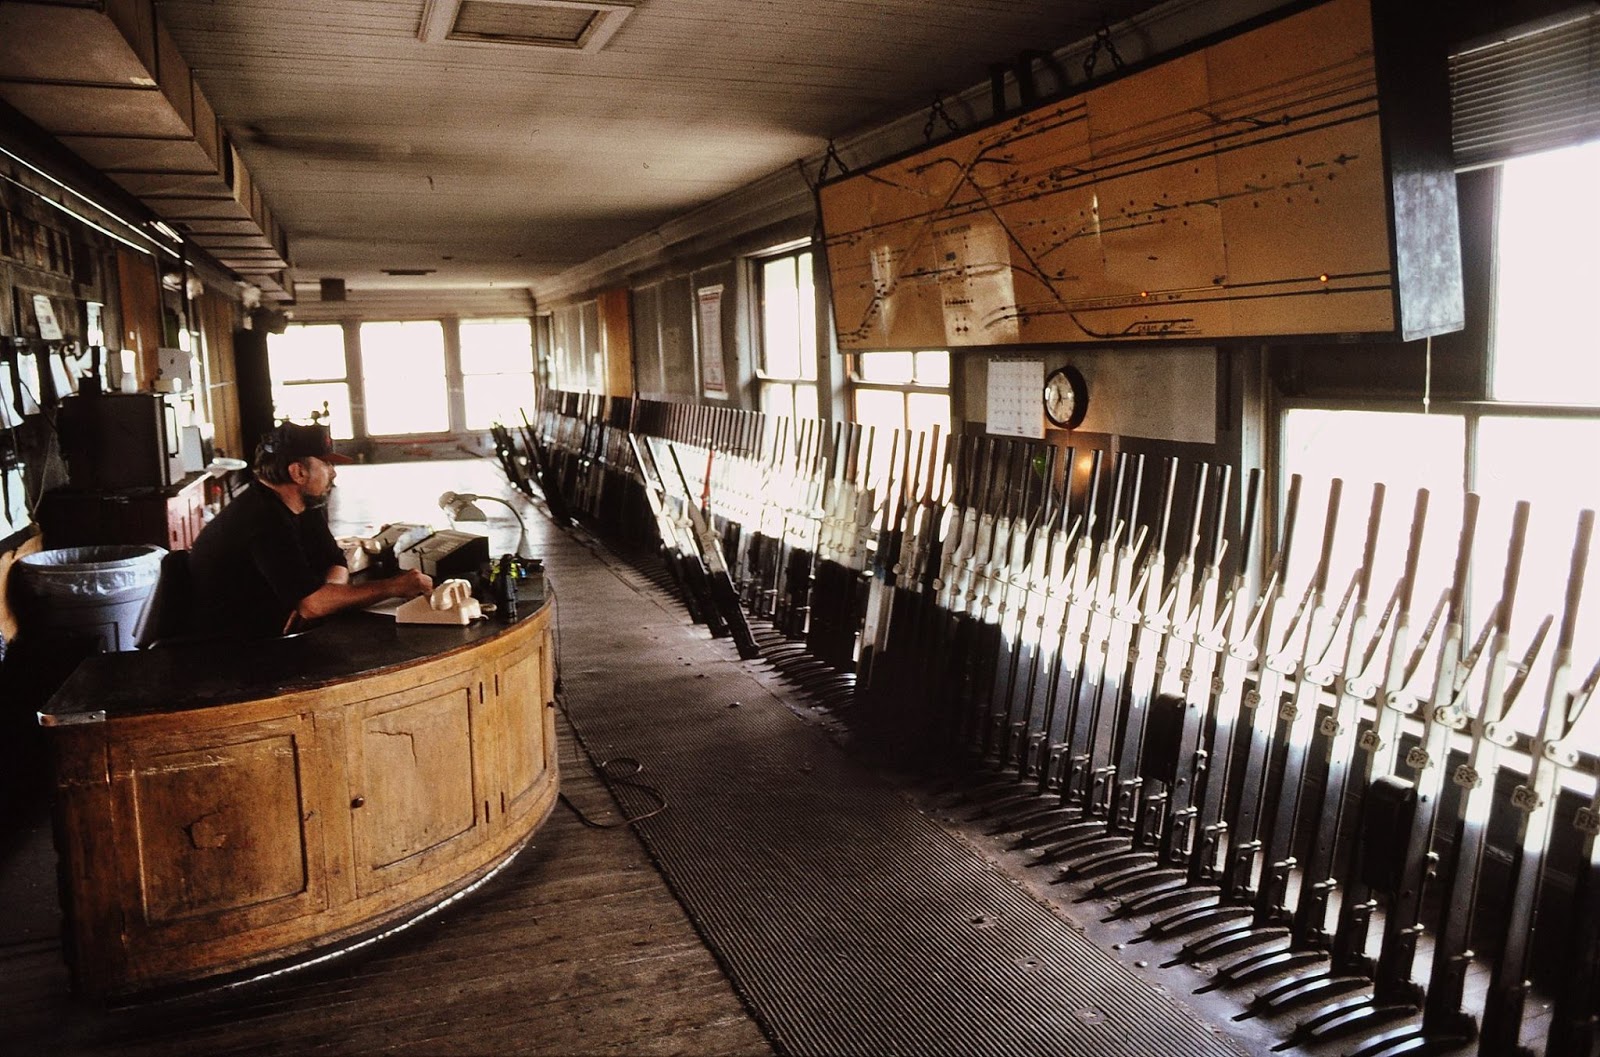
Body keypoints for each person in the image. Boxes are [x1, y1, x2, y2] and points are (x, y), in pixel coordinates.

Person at [188, 421, 433, 638]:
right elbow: (313, 605)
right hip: (231, 648)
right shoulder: (262, 518)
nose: (333, 473)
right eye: (326, 464)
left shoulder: (304, 503)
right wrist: (393, 586)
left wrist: (327, 597)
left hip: (271, 631)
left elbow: (334, 561)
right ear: (298, 472)